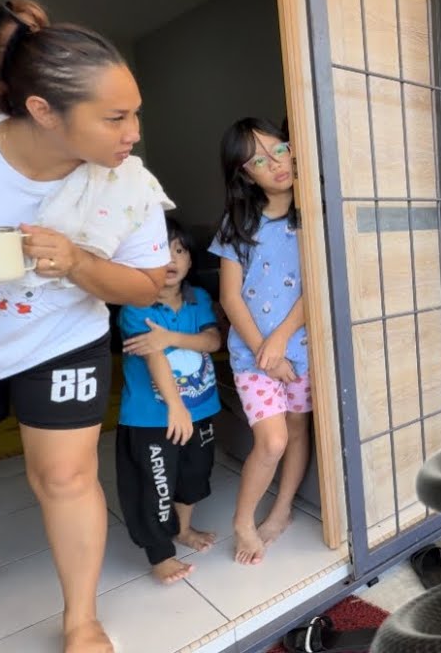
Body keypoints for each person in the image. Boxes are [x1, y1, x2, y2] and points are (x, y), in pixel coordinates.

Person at [0, 0, 173, 651]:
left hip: (60, 340)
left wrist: (79, 261)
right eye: (115, 117)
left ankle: (81, 617)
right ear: (43, 111)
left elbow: (147, 285)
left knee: (66, 477)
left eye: (134, 111)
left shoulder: (128, 185)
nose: (132, 131)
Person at [209, 117, 312, 565]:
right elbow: (229, 296)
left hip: (304, 349)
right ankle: (242, 521)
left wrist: (283, 339)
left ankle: (283, 509)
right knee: (270, 442)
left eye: (278, 149)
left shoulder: (312, 215)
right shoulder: (238, 224)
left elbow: (318, 287)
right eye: (258, 159)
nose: (274, 163)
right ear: (245, 173)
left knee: (296, 430)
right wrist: (264, 351)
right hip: (251, 354)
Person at [115, 217, 222, 584]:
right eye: (160, 251)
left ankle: (184, 528)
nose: (172, 259)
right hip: (152, 417)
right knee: (156, 484)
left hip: (201, 410)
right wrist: (176, 407)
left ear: (191, 260)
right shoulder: (135, 307)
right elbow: (153, 355)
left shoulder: (200, 298)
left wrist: (170, 337)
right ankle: (159, 553)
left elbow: (212, 341)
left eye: (180, 250)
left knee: (193, 474)